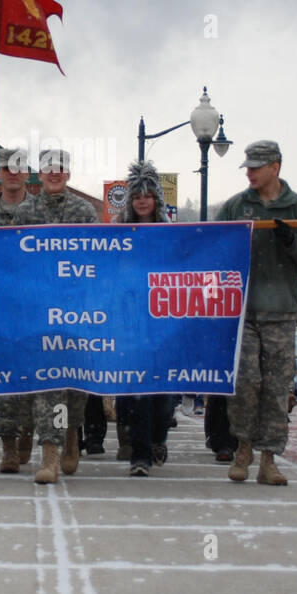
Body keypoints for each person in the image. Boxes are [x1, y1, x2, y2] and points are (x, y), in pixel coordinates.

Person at [216, 140, 297, 485]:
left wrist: (292, 241)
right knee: (246, 383)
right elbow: (210, 247)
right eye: (247, 167)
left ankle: (269, 459)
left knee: (277, 389)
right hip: (244, 313)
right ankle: (243, 448)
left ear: (275, 167)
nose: (249, 172)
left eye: (256, 166)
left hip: (280, 313)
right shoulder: (236, 207)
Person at [12, 148, 98, 483]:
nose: (54, 173)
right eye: (49, 168)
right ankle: (49, 454)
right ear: (39, 173)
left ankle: (71, 434)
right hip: (37, 310)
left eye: (60, 168)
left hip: (76, 311)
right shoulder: (25, 211)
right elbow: (15, 258)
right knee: (47, 380)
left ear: (68, 174)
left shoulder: (84, 211)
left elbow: (97, 259)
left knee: (74, 383)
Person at [115, 161, 177, 476]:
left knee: (164, 397)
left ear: (156, 200)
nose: (142, 201)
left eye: (147, 195)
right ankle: (139, 454)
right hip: (132, 323)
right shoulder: (118, 235)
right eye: (136, 196)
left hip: (164, 323)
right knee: (138, 393)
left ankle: (158, 438)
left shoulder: (171, 236)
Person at [0, 147, 35, 472]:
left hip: (36, 306)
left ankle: (29, 427)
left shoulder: (41, 211)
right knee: (2, 377)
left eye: (18, 168)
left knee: (33, 374)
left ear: (27, 173)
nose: (12, 173)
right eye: (7, 167)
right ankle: (7, 442)